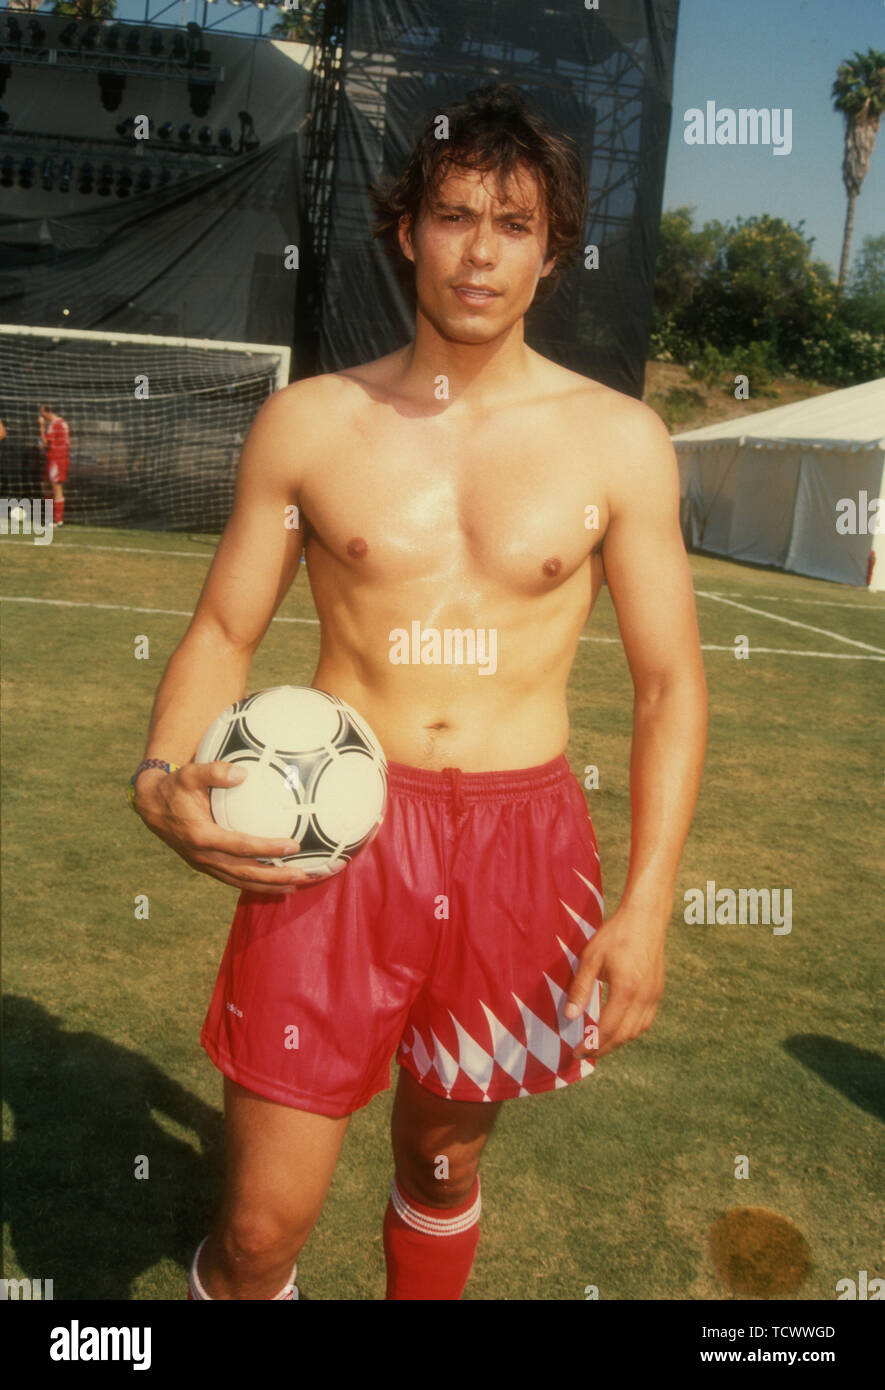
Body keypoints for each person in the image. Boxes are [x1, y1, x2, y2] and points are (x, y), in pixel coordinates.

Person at [131, 83, 707, 1302]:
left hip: (519, 845)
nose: (480, 251)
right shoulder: (307, 423)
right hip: (334, 843)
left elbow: (669, 685)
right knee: (259, 1232)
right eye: (453, 216)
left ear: (553, 251)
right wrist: (160, 771)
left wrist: (649, 903)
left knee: (442, 1165)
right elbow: (225, 629)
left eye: (514, 223)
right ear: (407, 231)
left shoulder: (620, 441)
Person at [39, 404, 70, 525]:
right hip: (58, 457)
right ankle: (49, 518)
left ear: (48, 412)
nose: (41, 416)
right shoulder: (62, 423)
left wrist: (41, 427)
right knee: (46, 486)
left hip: (56, 459)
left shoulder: (54, 424)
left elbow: (46, 443)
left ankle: (57, 520)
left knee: (56, 488)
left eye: (42, 413)